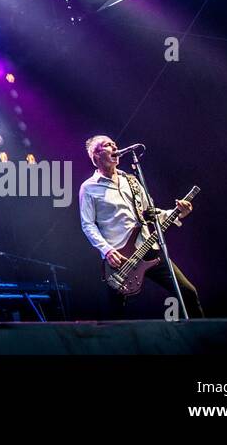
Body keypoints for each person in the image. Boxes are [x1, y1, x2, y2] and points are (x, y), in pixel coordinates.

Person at [78, 135, 201, 318]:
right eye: (107, 145)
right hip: (120, 258)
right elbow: (87, 225)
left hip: (148, 247)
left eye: (114, 143)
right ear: (95, 156)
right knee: (116, 313)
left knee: (188, 292)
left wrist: (177, 213)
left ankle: (201, 336)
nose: (114, 147)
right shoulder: (88, 188)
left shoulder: (132, 181)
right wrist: (107, 250)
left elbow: (150, 213)